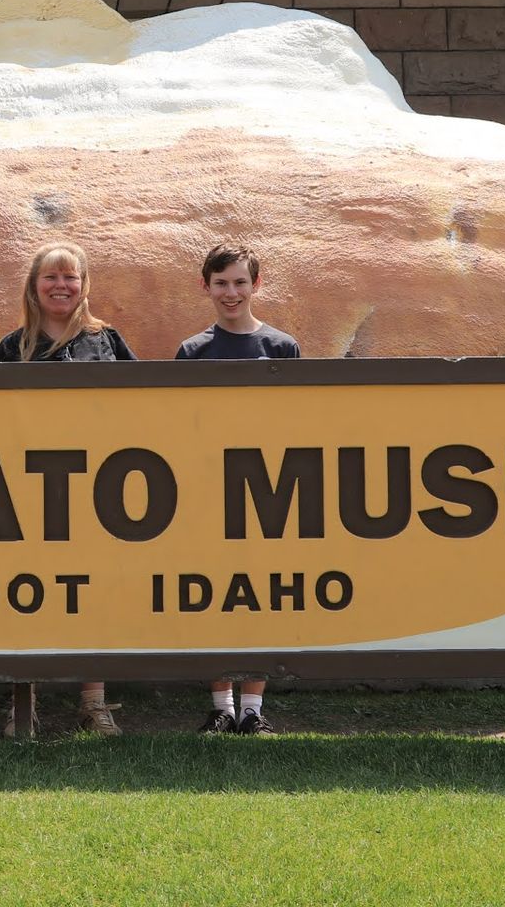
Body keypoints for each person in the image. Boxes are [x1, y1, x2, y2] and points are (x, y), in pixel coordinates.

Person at [0, 242, 135, 736]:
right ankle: (22, 703)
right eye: (50, 277)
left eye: (71, 277)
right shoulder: (10, 349)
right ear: (33, 286)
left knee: (91, 593)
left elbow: (145, 405)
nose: (61, 285)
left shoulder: (107, 341)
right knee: (22, 593)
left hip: (95, 490)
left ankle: (93, 703)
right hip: (23, 493)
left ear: (84, 285)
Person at [175, 242, 301, 736]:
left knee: (264, 594)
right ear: (206, 287)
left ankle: (253, 708)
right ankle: (220, 706)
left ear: (256, 285)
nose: (231, 293)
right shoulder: (193, 351)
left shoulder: (282, 347)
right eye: (221, 283)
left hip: (270, 488)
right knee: (217, 595)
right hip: (210, 488)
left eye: (240, 282)